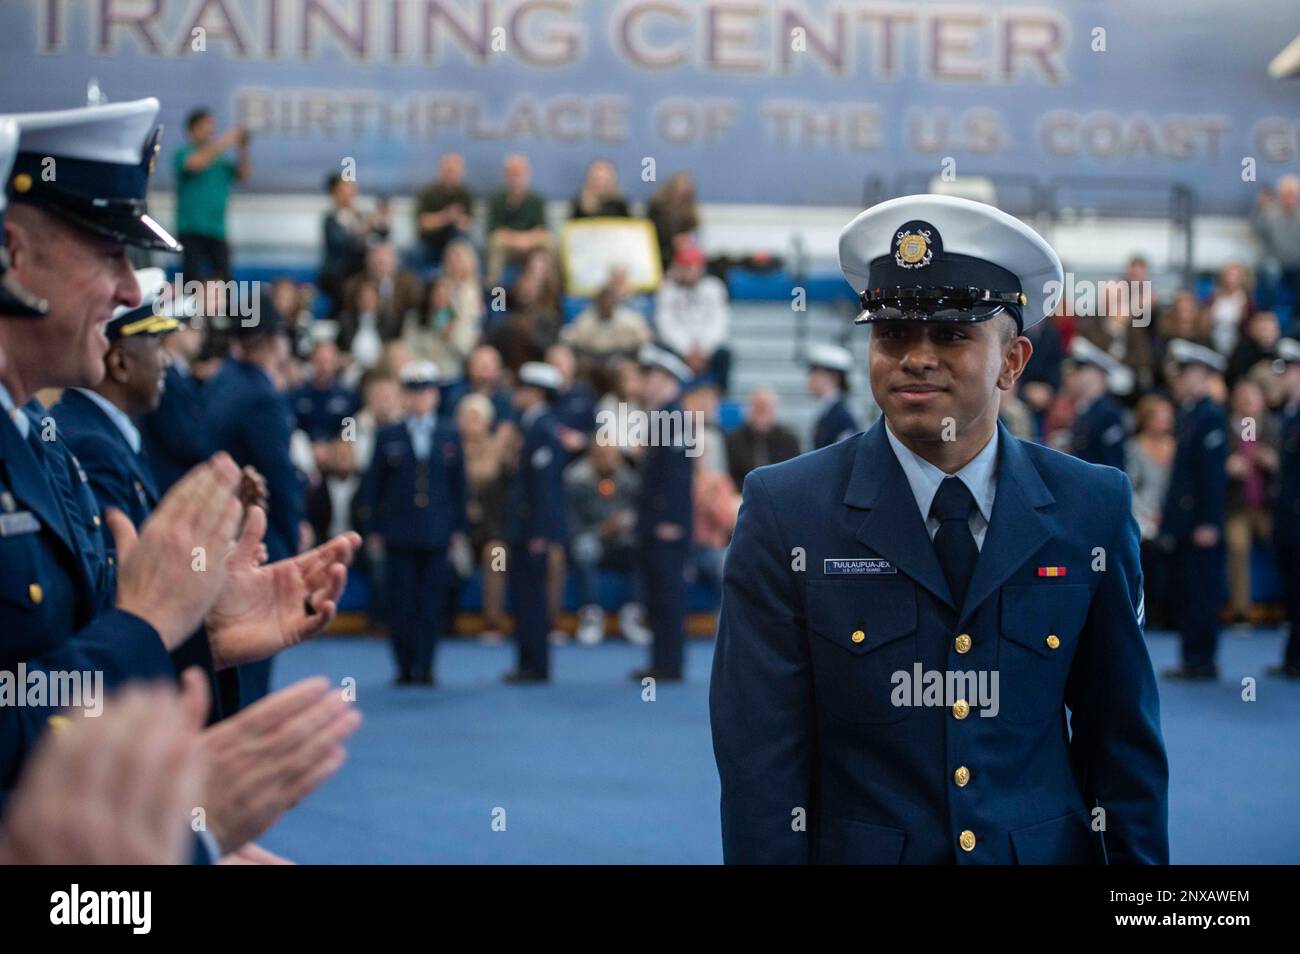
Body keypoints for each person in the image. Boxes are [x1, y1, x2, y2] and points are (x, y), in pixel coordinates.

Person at [711, 194, 1168, 864]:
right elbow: (760, 768)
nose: (916, 357)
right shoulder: (786, 512)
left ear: (1012, 362)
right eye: (892, 332)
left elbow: (1121, 745)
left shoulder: (1090, 508)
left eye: (952, 334)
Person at [0, 99, 361, 860]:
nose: (133, 291)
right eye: (111, 253)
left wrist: (198, 632)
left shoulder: (37, 438)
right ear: (10, 255)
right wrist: (178, 843)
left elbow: (60, 653)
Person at [203, 296, 305, 702]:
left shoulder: (221, 382)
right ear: (270, 340)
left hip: (221, 534)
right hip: (257, 539)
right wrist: (291, 531)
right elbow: (278, 475)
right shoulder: (262, 396)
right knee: (252, 667)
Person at [355, 361, 467, 685]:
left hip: (436, 531)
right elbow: (373, 486)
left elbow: (459, 486)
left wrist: (458, 528)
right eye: (413, 393)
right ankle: (404, 665)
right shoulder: (388, 433)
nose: (420, 400)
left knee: (431, 603)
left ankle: (427, 664)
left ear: (434, 396)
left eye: (426, 393)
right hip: (398, 532)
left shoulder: (449, 433)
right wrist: (373, 528)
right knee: (400, 601)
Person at [1156, 339, 1230, 680]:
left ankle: (1202, 658)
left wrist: (1210, 521)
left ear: (1202, 374)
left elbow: (1213, 476)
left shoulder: (1211, 416)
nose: (1180, 378)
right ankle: (1192, 655)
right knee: (1189, 589)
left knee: (1202, 591)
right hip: (1187, 520)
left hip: (1201, 521)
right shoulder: (1190, 414)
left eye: (1186, 372)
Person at [632, 344, 695, 683]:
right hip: (655, 522)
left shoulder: (672, 417)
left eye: (652, 377)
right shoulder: (665, 416)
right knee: (657, 595)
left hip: (665, 524)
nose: (646, 384)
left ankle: (669, 664)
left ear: (667, 379)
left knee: (667, 595)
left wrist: (670, 520)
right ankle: (660, 660)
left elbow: (676, 476)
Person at [502, 361, 567, 683]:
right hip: (526, 528)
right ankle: (528, 661)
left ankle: (535, 665)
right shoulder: (532, 426)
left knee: (531, 599)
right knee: (524, 597)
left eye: (523, 388)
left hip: (532, 531)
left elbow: (544, 488)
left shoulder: (541, 429)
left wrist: (539, 532)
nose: (517, 393)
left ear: (536, 392)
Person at [564, 440, 641, 646]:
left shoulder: (630, 481)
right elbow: (570, 525)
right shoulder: (574, 481)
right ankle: (591, 615)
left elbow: (640, 515)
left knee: (641, 550)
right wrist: (600, 530)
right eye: (602, 455)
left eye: (612, 455)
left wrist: (627, 524)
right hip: (589, 539)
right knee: (584, 548)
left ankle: (632, 613)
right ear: (592, 456)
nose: (607, 460)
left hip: (621, 541)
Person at [172, 108, 249, 282]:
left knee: (224, 280)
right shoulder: (183, 154)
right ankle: (190, 310)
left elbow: (244, 175)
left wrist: (243, 149)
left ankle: (222, 310)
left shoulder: (221, 160)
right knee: (191, 280)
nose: (210, 132)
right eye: (205, 127)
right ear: (192, 130)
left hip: (217, 229)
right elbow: (195, 164)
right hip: (191, 228)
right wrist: (225, 142)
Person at [653, 242, 731, 391]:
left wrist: (704, 349)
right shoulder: (668, 290)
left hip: (706, 349)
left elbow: (719, 322)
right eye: (682, 267)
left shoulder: (714, 288)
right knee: (662, 355)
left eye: (690, 267)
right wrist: (686, 349)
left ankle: (719, 396)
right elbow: (665, 324)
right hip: (678, 348)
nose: (686, 272)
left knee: (725, 355)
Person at [1270, 337, 1300, 677]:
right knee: (1291, 591)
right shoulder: (1289, 415)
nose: (1283, 378)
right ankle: (1294, 657)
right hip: (1288, 517)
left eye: (1289, 371)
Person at [1063, 336, 1130, 470]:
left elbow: (1114, 465)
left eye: (1080, 370)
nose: (1073, 376)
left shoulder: (1108, 413)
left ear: (1096, 374)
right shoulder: (1085, 410)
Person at [485, 154, 551, 286]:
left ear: (527, 174)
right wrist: (517, 241)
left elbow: (542, 230)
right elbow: (495, 231)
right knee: (495, 242)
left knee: (550, 242)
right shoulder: (497, 201)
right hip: (507, 248)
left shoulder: (537, 201)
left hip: (531, 246)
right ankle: (495, 294)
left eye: (519, 173)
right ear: (506, 176)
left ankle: (548, 292)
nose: (516, 178)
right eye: (512, 173)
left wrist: (525, 241)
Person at [726, 387, 801, 488]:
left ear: (774, 410)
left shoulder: (788, 440)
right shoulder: (734, 440)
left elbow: (794, 474)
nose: (761, 414)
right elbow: (730, 476)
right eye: (757, 408)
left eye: (766, 408)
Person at [415, 152, 473, 269]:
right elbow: (423, 223)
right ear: (441, 171)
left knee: (469, 249)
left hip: (455, 243)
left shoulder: (466, 195)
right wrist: (447, 216)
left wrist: (459, 220)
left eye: (455, 172)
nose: (451, 175)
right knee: (414, 253)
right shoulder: (428, 193)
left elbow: (468, 225)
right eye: (448, 171)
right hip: (430, 243)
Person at [807, 343, 858, 449]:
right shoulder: (829, 412)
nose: (810, 378)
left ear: (833, 377)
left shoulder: (841, 417)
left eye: (816, 372)